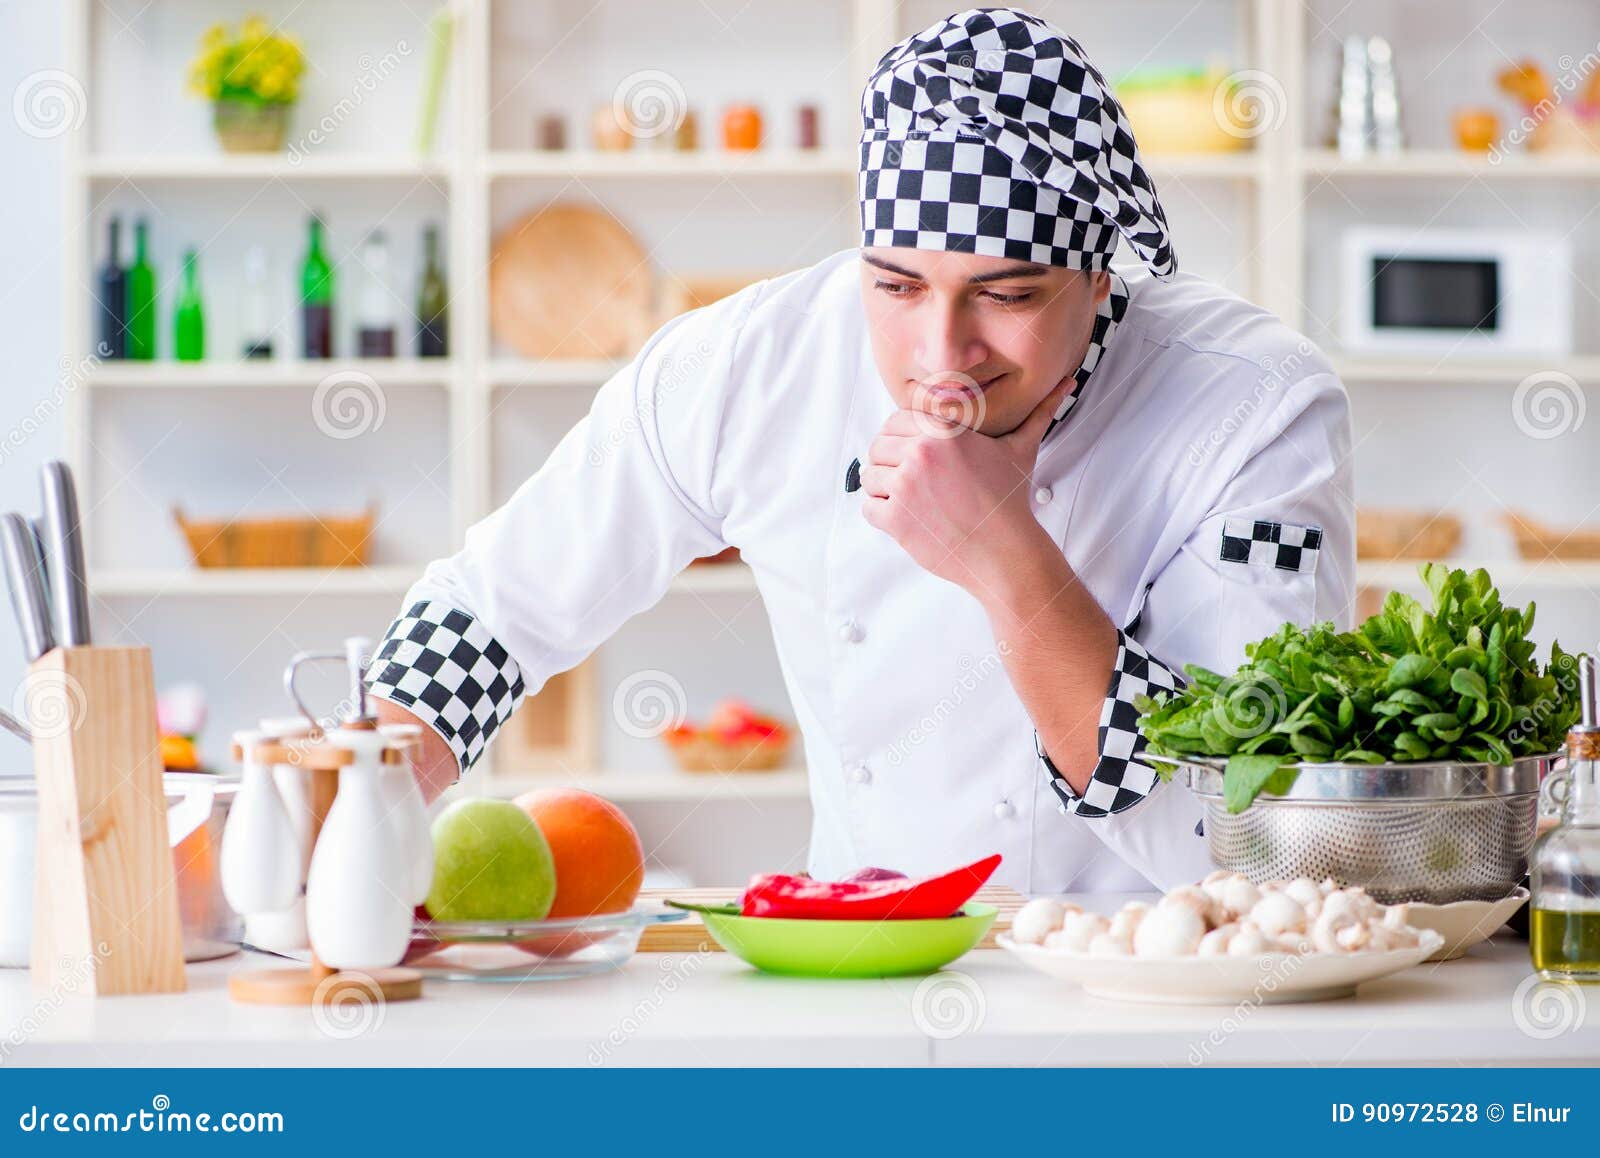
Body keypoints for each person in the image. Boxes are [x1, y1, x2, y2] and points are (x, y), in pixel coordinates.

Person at [368, 7, 1354, 892]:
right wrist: (359, 813)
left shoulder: (1248, 408)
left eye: (1005, 295)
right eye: (895, 287)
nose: (942, 357)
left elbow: (1253, 832)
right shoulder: (751, 362)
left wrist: (1008, 559)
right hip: (860, 964)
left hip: (1156, 989)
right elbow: (490, 615)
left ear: (1100, 279)